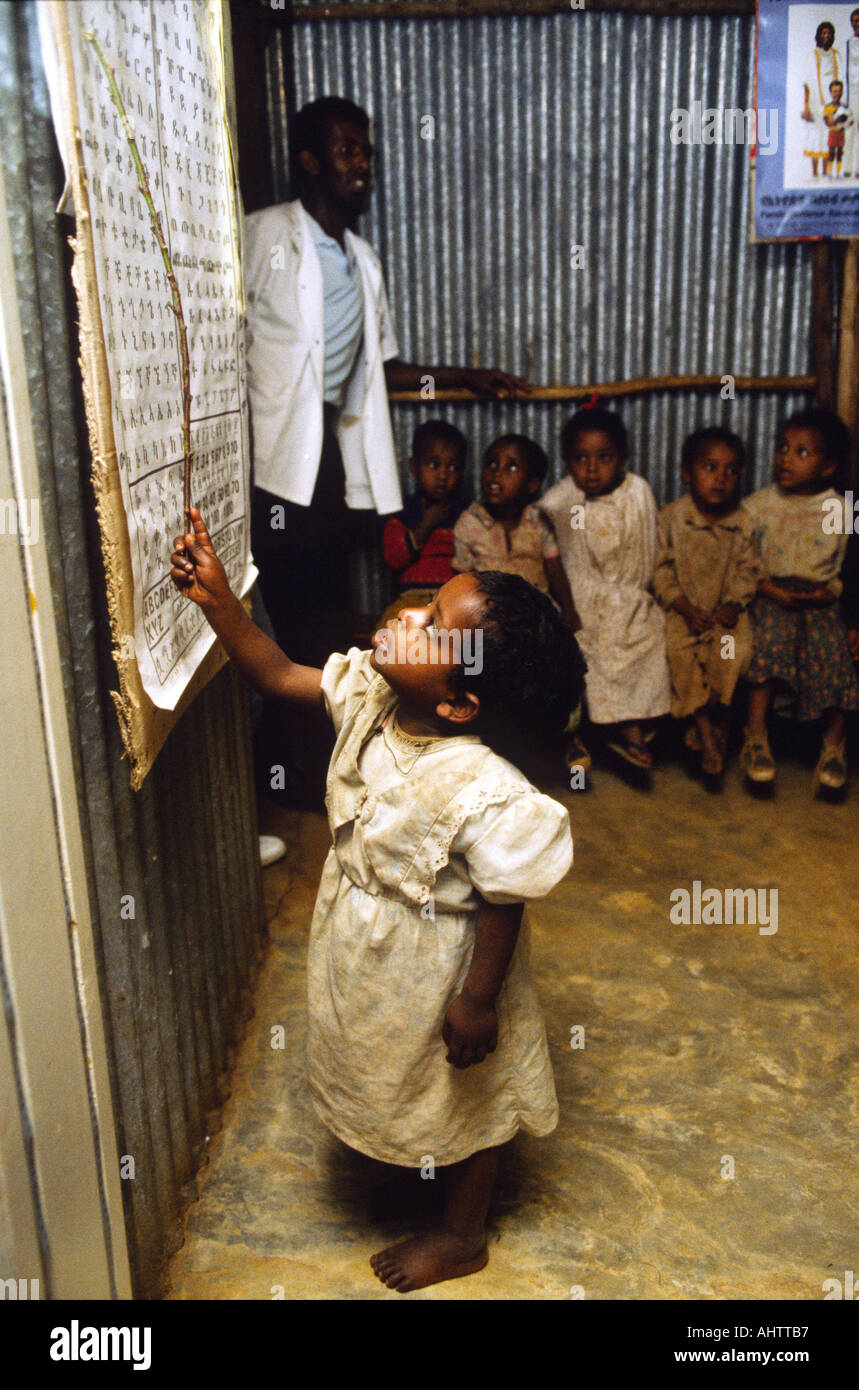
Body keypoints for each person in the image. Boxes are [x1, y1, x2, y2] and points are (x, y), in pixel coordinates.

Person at [171, 509, 584, 1294]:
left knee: (466, 1092)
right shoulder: (370, 690)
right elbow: (275, 674)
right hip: (369, 942)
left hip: (441, 966)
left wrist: (478, 999)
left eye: (431, 628)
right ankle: (412, 1150)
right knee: (397, 1073)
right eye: (426, 602)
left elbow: (503, 897)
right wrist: (221, 605)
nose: (406, 615)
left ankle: (462, 1233)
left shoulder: (483, 788)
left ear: (460, 705)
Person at [245, 97, 528, 803]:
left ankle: (318, 771)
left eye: (365, 150)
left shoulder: (362, 260)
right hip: (273, 460)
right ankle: (284, 776)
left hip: (333, 466)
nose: (361, 164)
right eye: (346, 150)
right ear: (309, 161)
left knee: (326, 619)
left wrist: (463, 375)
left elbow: (379, 369)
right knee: (290, 621)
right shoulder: (261, 236)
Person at [540, 405, 670, 770]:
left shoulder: (637, 492)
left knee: (647, 638)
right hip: (581, 597)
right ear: (567, 460)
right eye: (581, 458)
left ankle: (629, 726)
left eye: (605, 457)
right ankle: (600, 732)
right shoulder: (561, 502)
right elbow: (552, 558)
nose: (592, 468)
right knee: (586, 648)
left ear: (623, 459)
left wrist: (635, 597)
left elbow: (647, 551)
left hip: (630, 593)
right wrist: (569, 608)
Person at [741, 408, 859, 792]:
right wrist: (765, 587)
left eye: (802, 452)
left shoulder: (840, 509)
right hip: (771, 593)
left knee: (836, 652)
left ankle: (834, 744)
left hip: (819, 599)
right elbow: (743, 561)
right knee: (768, 644)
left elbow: (846, 568)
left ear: (828, 468)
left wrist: (832, 594)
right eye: (783, 447)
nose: (785, 457)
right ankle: (756, 737)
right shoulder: (757, 505)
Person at [652, 428, 758, 778]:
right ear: (686, 473)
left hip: (724, 614)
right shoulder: (672, 518)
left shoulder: (743, 522)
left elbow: (749, 570)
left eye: (731, 471)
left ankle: (715, 717)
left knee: (733, 652)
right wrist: (682, 607)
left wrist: (733, 605)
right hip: (684, 612)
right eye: (710, 467)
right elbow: (661, 570)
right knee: (680, 656)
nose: (721, 479)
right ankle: (705, 731)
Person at [380, 420, 468, 621]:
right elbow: (394, 559)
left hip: (453, 602)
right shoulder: (403, 512)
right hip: (410, 600)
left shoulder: (468, 515)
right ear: (414, 467)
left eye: (453, 467)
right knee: (389, 641)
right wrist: (425, 526)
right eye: (433, 464)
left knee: (471, 644)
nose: (443, 475)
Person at [802, 22, 842, 179]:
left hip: (832, 101)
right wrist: (806, 106)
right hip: (815, 102)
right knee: (814, 135)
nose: (826, 36)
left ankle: (825, 172)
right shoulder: (812, 55)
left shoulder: (836, 55)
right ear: (818, 36)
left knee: (828, 135)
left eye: (829, 33)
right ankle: (814, 173)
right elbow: (806, 83)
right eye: (823, 33)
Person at [823, 79, 849, 177]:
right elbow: (827, 122)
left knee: (839, 153)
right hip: (832, 133)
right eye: (834, 91)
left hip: (841, 133)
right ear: (830, 93)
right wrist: (836, 120)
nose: (837, 93)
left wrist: (846, 122)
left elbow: (848, 120)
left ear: (842, 92)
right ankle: (830, 173)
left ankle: (838, 173)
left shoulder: (844, 107)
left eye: (839, 91)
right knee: (831, 152)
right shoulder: (827, 107)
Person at [844, 8, 859, 177]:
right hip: (851, 93)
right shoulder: (848, 43)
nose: (857, 24)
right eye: (854, 21)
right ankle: (847, 168)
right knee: (849, 132)